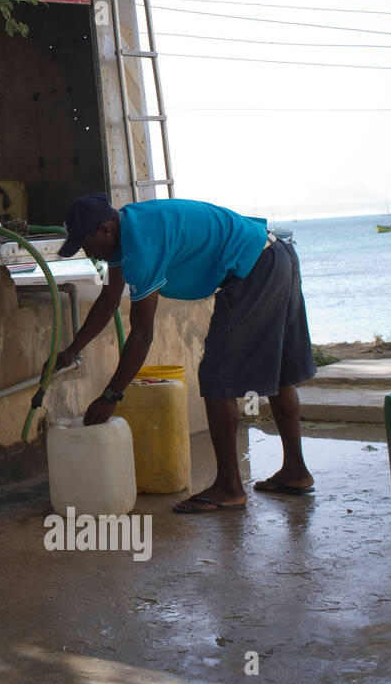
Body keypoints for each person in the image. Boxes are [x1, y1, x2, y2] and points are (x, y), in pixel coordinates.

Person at [47, 192, 316, 513]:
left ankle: (230, 487)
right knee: (281, 373)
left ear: (105, 230)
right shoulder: (128, 227)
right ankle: (295, 472)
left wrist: (110, 396)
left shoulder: (142, 247)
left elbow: (142, 334)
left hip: (253, 270)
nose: (86, 251)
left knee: (217, 378)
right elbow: (109, 300)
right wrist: (71, 351)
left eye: (86, 243)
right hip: (277, 255)